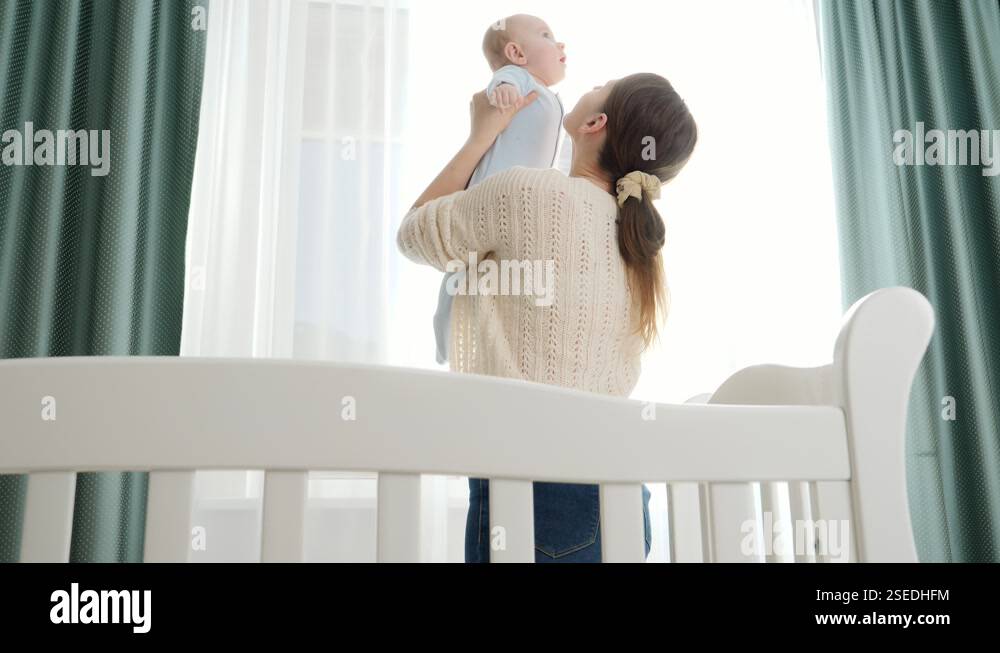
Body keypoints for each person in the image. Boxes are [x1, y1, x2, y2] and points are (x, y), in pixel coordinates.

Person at [397, 73, 698, 562]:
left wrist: (481, 136)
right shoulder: (639, 245)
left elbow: (414, 233)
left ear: (596, 122)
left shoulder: (526, 193)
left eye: (604, 83)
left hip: (535, 487)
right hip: (622, 492)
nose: (594, 82)